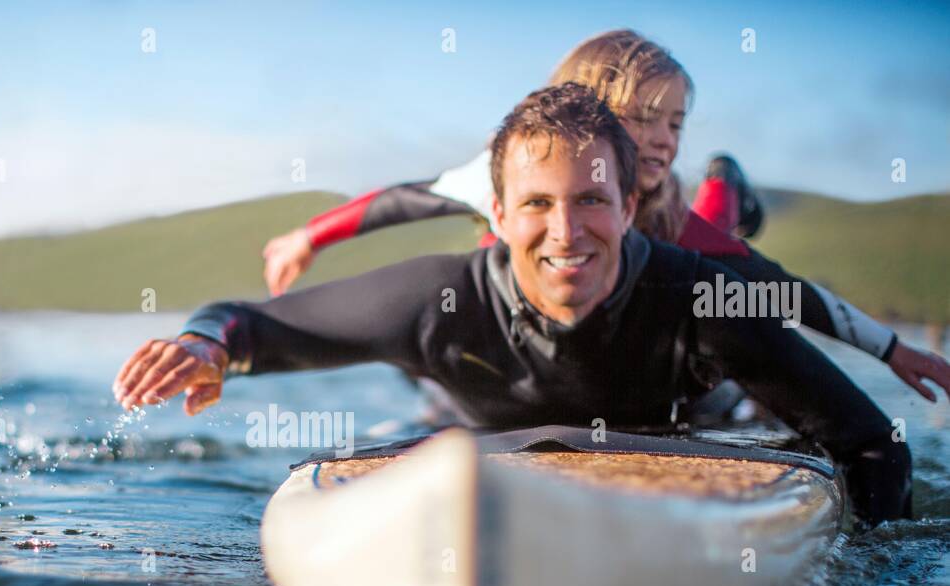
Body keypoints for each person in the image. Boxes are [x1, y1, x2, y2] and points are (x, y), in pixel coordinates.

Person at [113, 83, 912, 526]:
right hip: (470, 417)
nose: (565, 232)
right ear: (496, 216)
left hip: (696, 418)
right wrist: (205, 346)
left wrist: (858, 568)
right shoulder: (439, 300)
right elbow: (247, 323)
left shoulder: (700, 299)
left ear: (629, 207)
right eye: (536, 204)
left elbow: (875, 446)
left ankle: (725, 192)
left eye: (591, 200)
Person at [260, 30, 950, 405]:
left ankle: (725, 188)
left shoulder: (667, 212)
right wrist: (306, 238)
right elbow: (404, 199)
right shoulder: (511, 170)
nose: (663, 140)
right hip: (543, 332)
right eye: (644, 119)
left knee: (717, 253)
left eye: (675, 123)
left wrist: (891, 350)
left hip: (669, 275)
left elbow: (776, 286)